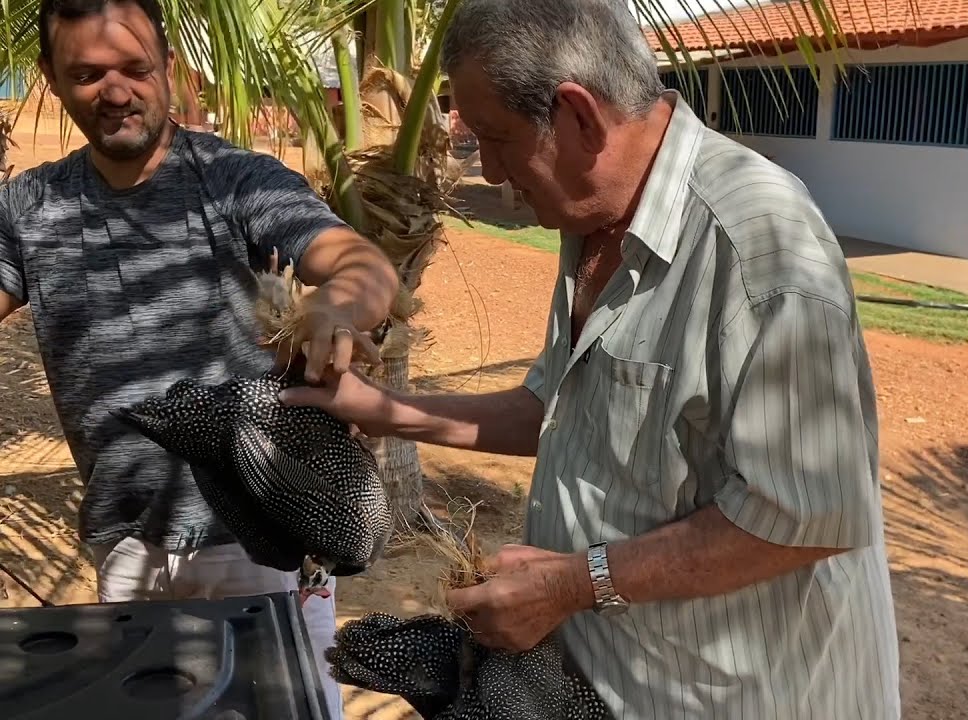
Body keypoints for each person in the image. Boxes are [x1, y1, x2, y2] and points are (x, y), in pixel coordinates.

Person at [281, 0, 900, 718]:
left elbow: (806, 515)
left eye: (496, 138)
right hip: (616, 686)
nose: (490, 168)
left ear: (578, 115)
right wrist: (381, 412)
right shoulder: (594, 219)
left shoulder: (757, 244)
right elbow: (557, 409)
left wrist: (575, 584)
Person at [0, 1, 398, 717]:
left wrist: (334, 306)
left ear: (171, 70)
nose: (115, 91)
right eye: (87, 74)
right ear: (52, 81)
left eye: (134, 69)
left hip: (266, 540)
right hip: (127, 544)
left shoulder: (238, 180)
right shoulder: (28, 208)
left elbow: (358, 261)